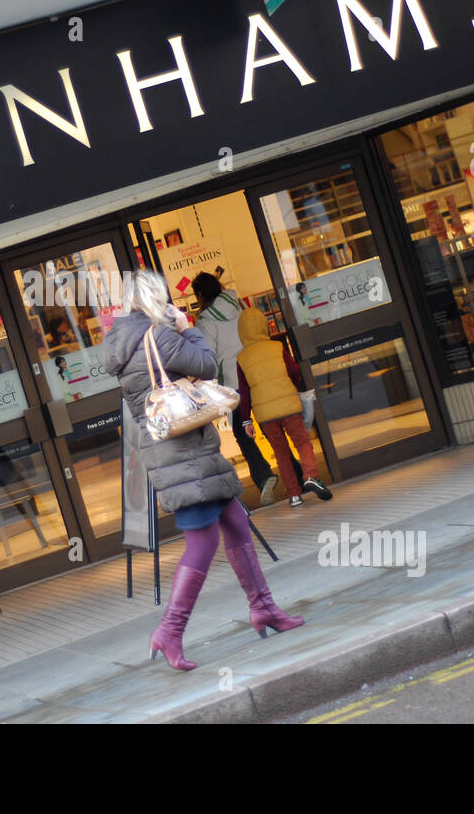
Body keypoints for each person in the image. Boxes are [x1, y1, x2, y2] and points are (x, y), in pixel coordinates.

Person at [104, 270, 304, 671]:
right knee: (203, 541)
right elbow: (209, 364)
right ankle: (169, 631)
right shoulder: (159, 336)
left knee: (236, 525)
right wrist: (186, 327)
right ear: (155, 299)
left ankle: (264, 608)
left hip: (180, 452)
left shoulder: (123, 343)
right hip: (186, 456)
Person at [190, 272, 279, 505]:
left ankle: (264, 476)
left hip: (233, 382)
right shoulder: (239, 304)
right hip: (255, 371)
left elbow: (208, 357)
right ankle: (296, 471)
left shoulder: (205, 321)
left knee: (242, 432)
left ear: (200, 295)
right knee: (270, 424)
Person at [234, 307, 333, 507]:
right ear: (264, 326)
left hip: (265, 415)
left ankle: (294, 495)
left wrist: (246, 420)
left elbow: (244, 393)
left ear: (241, 331)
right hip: (289, 406)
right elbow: (294, 370)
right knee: (302, 443)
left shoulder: (242, 359)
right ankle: (310, 476)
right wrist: (293, 386)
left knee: (281, 453)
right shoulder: (277, 347)